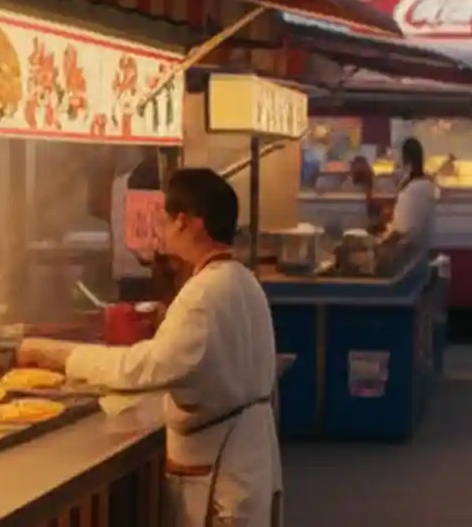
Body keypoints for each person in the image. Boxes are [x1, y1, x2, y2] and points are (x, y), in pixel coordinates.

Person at [17, 168, 282, 526]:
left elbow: (143, 367)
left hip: (226, 464)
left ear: (188, 223)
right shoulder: (241, 279)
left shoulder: (204, 292)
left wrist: (59, 355)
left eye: (167, 219)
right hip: (245, 456)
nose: (162, 228)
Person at [379, 137, 437, 261]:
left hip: (408, 262)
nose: (395, 172)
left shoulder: (413, 192)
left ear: (409, 163)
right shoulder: (424, 187)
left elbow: (401, 235)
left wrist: (379, 245)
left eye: (398, 166)